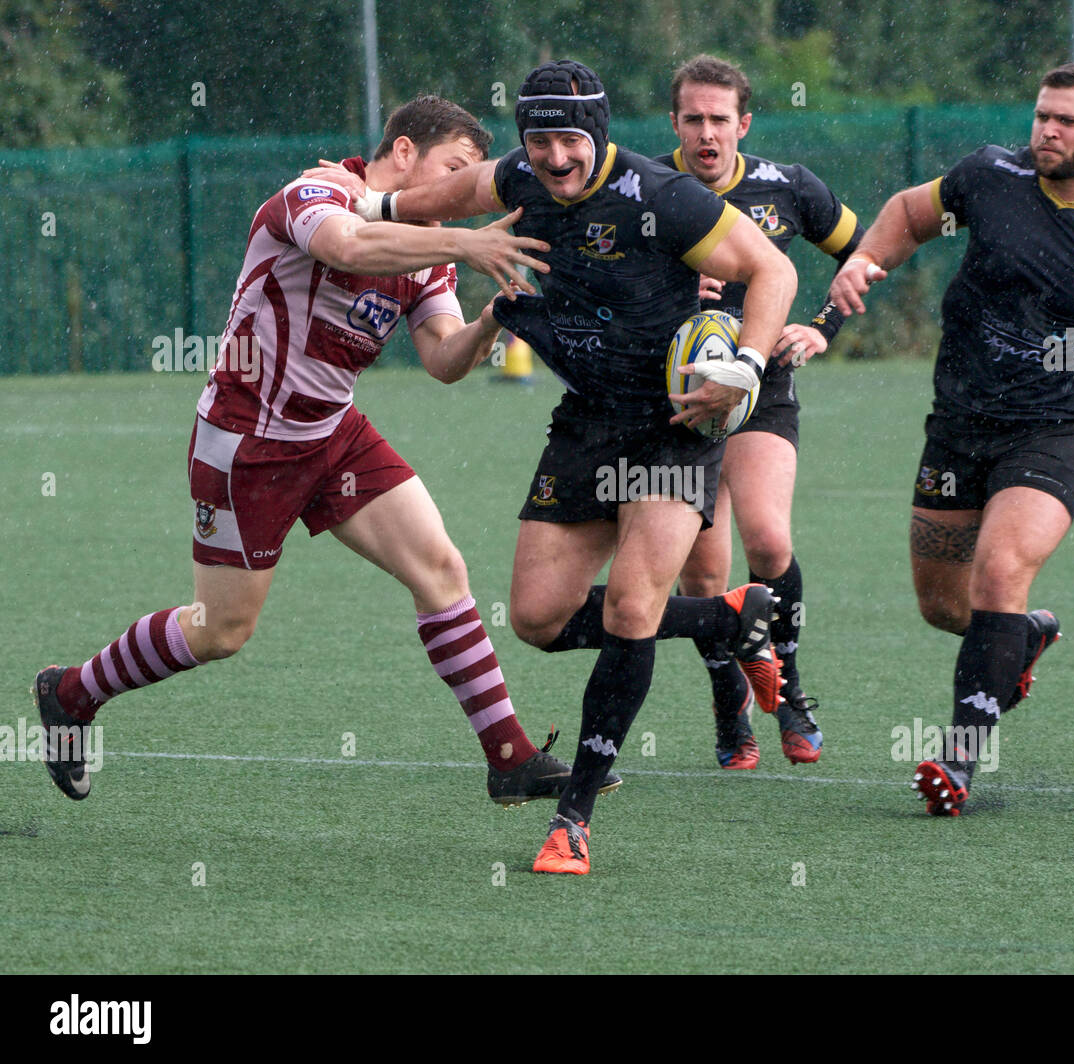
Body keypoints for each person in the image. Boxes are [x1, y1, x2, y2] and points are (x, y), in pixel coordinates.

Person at [32, 95, 596, 811]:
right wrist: (469, 243)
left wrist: (495, 314)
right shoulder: (318, 192)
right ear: (401, 155)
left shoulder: (430, 251)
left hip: (332, 434)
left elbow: (444, 360)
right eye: (452, 170)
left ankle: (508, 757)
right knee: (221, 631)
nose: (457, 196)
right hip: (248, 443)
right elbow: (349, 246)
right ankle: (71, 692)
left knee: (442, 567)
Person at [324, 60, 798, 874]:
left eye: (568, 139)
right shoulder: (517, 175)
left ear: (599, 135)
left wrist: (747, 368)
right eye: (538, 139)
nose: (552, 157)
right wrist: (363, 201)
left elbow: (775, 269)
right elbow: (446, 195)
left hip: (674, 424)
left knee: (631, 608)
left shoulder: (665, 198)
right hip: (586, 423)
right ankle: (728, 617)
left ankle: (573, 818)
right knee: (539, 618)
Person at [829, 60, 1074, 816]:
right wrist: (865, 261)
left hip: (1057, 432)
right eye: (1042, 115)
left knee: (999, 571)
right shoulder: (989, 177)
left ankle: (960, 761)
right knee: (944, 607)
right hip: (959, 424)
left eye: (1066, 121)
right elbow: (909, 215)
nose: (1046, 130)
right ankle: (1025, 637)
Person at [657, 55, 866, 770]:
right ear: (675, 123)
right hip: (677, 400)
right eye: (694, 119)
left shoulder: (787, 188)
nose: (707, 133)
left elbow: (865, 251)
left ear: (743, 123)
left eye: (721, 119)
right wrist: (678, 290)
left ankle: (794, 691)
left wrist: (822, 325)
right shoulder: (647, 190)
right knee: (702, 581)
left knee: (769, 545)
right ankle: (726, 693)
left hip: (761, 386)